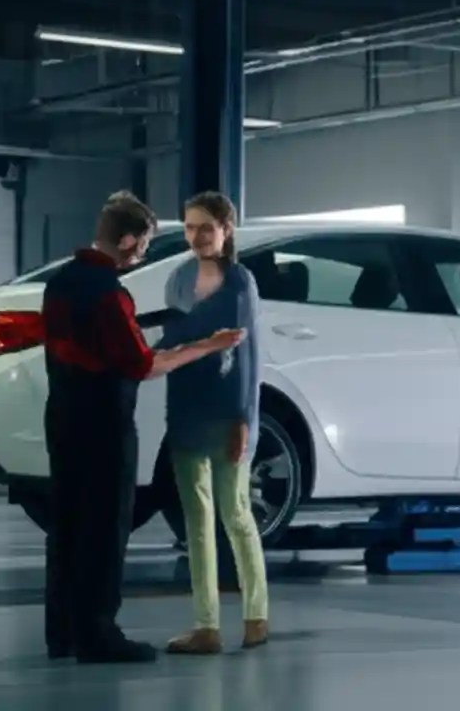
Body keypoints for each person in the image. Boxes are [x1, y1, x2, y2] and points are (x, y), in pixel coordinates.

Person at [42, 190, 245, 664]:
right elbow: (140, 364)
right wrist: (205, 346)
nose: (146, 252)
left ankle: (63, 632)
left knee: (67, 524)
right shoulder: (110, 293)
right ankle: (99, 633)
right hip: (104, 424)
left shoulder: (59, 283)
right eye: (146, 243)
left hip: (63, 416)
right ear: (128, 240)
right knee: (105, 526)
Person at [160, 191, 269, 655]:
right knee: (196, 522)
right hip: (186, 409)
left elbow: (243, 354)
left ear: (226, 229)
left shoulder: (240, 282)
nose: (197, 236)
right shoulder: (179, 280)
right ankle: (206, 625)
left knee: (236, 514)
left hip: (227, 411)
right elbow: (176, 339)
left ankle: (256, 615)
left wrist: (244, 418)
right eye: (189, 227)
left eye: (206, 227)